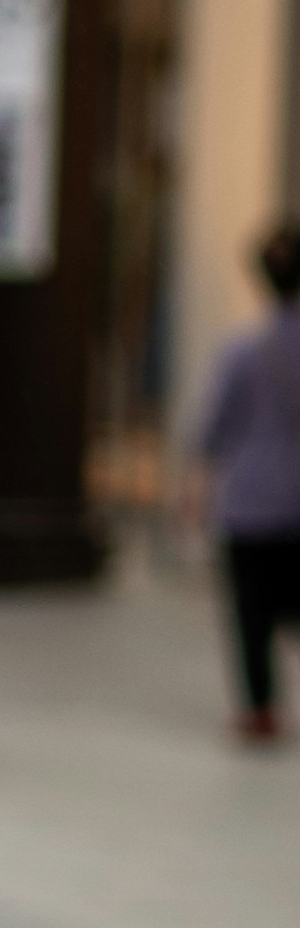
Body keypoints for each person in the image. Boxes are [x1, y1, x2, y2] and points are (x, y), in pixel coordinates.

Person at [189, 218, 300, 741]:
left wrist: (192, 487)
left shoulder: (243, 351)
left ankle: (260, 711)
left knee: (251, 613)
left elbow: (213, 427)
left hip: (251, 500)